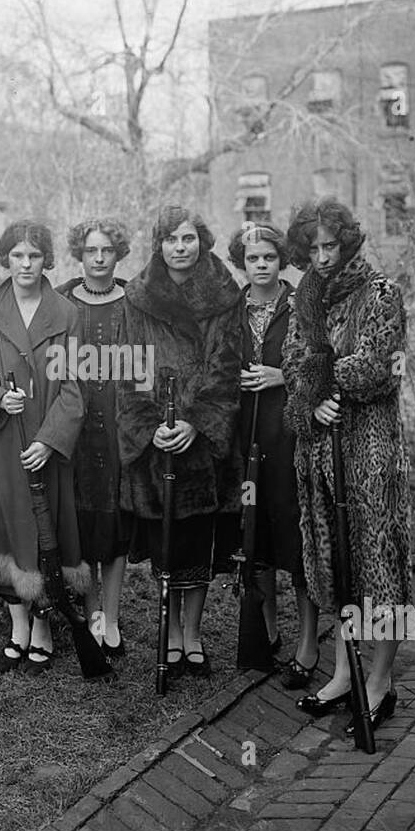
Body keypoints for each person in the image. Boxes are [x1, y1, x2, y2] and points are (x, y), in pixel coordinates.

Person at [281, 198, 411, 732]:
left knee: (378, 563)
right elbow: (292, 361)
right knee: (333, 564)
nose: (321, 257)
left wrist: (325, 377)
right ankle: (341, 672)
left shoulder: (380, 293)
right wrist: (310, 399)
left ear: (348, 242)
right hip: (318, 451)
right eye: (312, 249)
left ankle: (379, 681)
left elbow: (381, 366)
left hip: (369, 452)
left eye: (329, 246)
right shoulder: (304, 299)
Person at [119, 206, 242, 678]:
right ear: (159, 244)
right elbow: (128, 367)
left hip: (204, 442)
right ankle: (169, 635)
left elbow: (226, 365)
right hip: (157, 436)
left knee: (200, 543)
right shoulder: (139, 296)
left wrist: (197, 422)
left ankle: (193, 635)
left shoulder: (224, 293)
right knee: (167, 543)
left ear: (202, 241)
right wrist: (152, 425)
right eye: (171, 239)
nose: (180, 247)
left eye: (188, 238)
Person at [0, 220, 87, 674]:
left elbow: (74, 387)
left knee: (45, 534)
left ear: (46, 260)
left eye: (34, 256)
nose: (26, 264)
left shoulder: (66, 314)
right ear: (6, 260)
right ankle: (17, 628)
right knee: (7, 535)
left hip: (44, 445)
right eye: (17, 256)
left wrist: (51, 441)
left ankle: (45, 628)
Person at [224, 222, 316, 687]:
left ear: (282, 260)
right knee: (252, 535)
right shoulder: (231, 308)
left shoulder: (302, 306)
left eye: (269, 258)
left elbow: (323, 363)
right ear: (242, 263)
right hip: (245, 437)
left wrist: (284, 376)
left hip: (290, 436)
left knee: (296, 538)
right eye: (252, 258)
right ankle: (267, 629)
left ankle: (308, 639)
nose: (261, 266)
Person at [57, 217, 133, 658]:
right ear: (80, 255)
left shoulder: (134, 301)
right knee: (83, 521)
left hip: (119, 425)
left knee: (115, 523)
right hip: (76, 427)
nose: (99, 259)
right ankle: (90, 614)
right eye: (91, 251)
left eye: (107, 251)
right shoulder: (64, 301)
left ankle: (113, 614)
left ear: (117, 253)